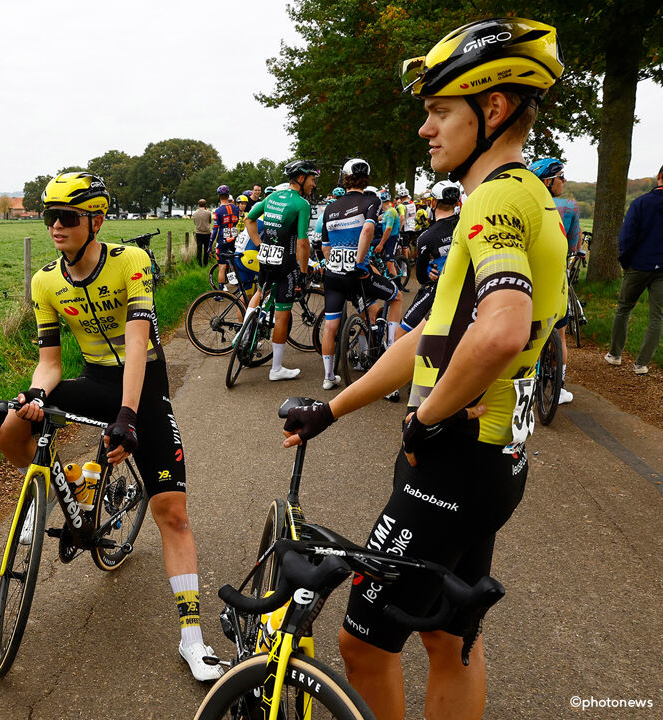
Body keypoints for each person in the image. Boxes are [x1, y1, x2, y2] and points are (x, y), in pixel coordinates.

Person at [284, 18, 566, 720]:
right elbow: (435, 337)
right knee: (450, 642)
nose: (425, 129)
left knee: (363, 647)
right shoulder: (530, 195)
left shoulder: (495, 198)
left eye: (439, 111)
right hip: (497, 463)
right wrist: (333, 408)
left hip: (453, 469)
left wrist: (427, 418)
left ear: (492, 109)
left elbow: (499, 331)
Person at [0, 171, 223, 682]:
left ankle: (193, 640)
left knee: (172, 511)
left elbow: (139, 343)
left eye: (67, 218)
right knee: (11, 426)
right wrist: (32, 396)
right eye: (49, 216)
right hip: (95, 379)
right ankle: (58, 487)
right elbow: (50, 363)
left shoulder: (130, 262)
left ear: (95, 221)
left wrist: (128, 417)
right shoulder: (46, 281)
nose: (55, 226)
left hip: (145, 381)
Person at [318, 158, 400, 390]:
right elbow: (367, 228)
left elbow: (325, 247)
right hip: (357, 273)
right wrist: (357, 260)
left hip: (334, 274)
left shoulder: (331, 207)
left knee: (331, 325)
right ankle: (387, 354)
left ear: (345, 178)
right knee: (394, 297)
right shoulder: (370, 199)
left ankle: (328, 377)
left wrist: (336, 261)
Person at [244, 160, 318, 381]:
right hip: (285, 262)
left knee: (260, 292)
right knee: (282, 314)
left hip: (265, 258)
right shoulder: (301, 204)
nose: (314, 184)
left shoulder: (272, 197)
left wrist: (258, 244)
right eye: (312, 179)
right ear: (301, 178)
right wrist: (303, 271)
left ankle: (244, 333)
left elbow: (249, 219)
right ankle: (276, 369)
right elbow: (303, 242)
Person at [529, 157, 580, 402]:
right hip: (556, 276)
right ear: (548, 182)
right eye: (561, 176)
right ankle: (558, 389)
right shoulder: (569, 206)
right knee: (559, 334)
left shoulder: (526, 203)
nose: (564, 180)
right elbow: (572, 243)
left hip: (529, 275)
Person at [607, 162, 663, 375]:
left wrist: (626, 262)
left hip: (638, 265)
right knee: (657, 316)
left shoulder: (641, 203)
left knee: (624, 307)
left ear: (659, 175)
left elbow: (627, 237)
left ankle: (615, 354)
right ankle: (641, 364)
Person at [394, 180, 461, 343]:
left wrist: (431, 267)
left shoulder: (426, 237)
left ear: (433, 202)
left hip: (441, 288)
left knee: (399, 335)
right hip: (469, 287)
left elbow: (422, 278)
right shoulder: (467, 222)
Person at [212, 185, 243, 290]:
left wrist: (209, 245)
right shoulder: (235, 208)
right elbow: (237, 221)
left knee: (222, 266)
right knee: (235, 263)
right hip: (233, 236)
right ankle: (239, 287)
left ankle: (220, 292)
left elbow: (215, 230)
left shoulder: (218, 211)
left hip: (222, 238)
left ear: (219, 196)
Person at [192, 198, 213, 266]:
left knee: (199, 249)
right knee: (206, 249)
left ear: (198, 205)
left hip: (198, 233)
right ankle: (205, 263)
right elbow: (210, 221)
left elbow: (195, 223)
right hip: (207, 233)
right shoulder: (208, 213)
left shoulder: (195, 214)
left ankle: (199, 263)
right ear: (205, 205)